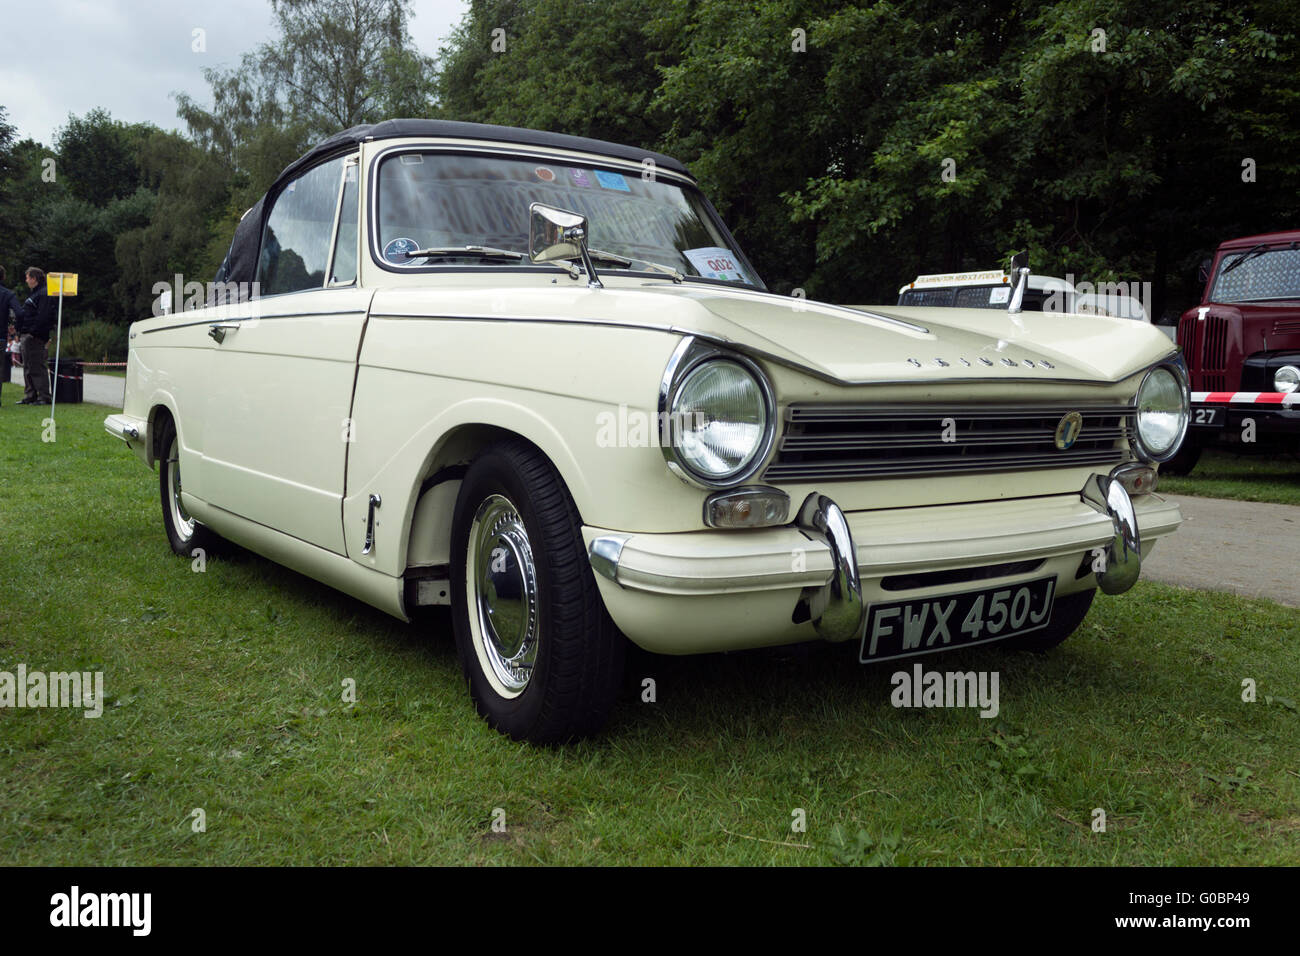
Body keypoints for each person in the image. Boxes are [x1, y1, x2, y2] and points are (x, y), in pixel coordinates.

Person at [13, 266, 54, 405]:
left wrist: (33, 332)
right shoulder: (34, 294)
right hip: (27, 334)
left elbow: (43, 316)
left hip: (35, 336)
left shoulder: (43, 294)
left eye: (27, 277)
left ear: (34, 279)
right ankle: (30, 394)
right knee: (27, 366)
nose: (26, 280)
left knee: (37, 365)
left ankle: (43, 396)